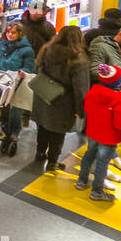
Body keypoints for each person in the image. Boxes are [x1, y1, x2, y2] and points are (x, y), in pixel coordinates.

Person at [75, 64, 121, 202]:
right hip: (109, 137)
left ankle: (81, 182)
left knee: (88, 156)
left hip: (92, 132)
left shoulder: (92, 92)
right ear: (119, 82)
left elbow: (87, 109)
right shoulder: (120, 101)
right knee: (102, 164)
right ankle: (97, 192)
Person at [32, 26, 90, 171]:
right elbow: (81, 88)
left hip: (43, 95)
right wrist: (80, 110)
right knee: (58, 132)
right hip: (64, 101)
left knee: (43, 126)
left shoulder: (47, 50)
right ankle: (53, 161)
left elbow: (38, 69)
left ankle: (39, 153)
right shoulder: (78, 59)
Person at [0, 20, 36, 150]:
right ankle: (3, 130)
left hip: (16, 83)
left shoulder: (26, 50)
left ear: (20, 33)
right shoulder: (1, 46)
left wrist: (23, 72)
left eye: (13, 33)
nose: (10, 35)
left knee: (14, 109)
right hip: (1, 80)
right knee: (1, 107)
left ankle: (14, 132)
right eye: (8, 32)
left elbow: (29, 67)